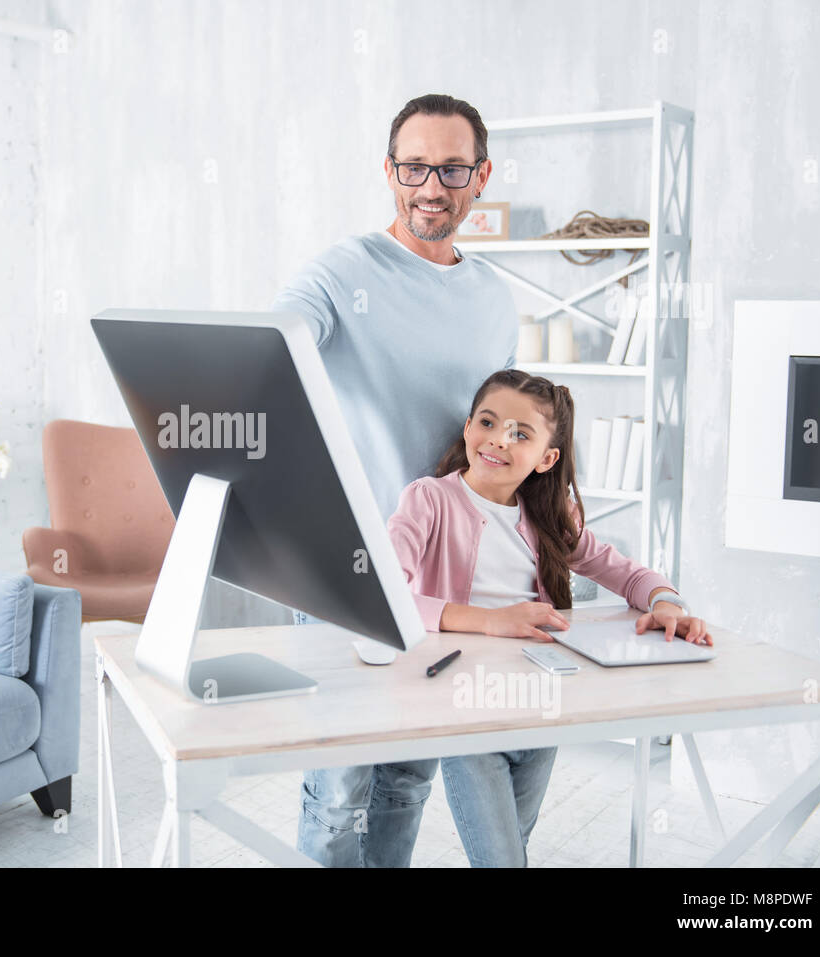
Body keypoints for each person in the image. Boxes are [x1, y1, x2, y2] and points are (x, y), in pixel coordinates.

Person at [273, 92, 518, 867]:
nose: (432, 188)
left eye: (451, 169)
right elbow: (277, 334)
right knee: (340, 784)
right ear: (390, 170)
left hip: (440, 579)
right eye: (415, 167)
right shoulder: (346, 270)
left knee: (408, 775)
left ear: (481, 177)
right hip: (346, 570)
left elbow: (495, 432)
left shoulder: (494, 298)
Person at [387, 368, 712, 866]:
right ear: (469, 428)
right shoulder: (429, 500)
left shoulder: (550, 519)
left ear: (547, 458)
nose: (498, 440)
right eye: (488, 423)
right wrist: (490, 620)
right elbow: (387, 596)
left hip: (540, 700)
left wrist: (668, 603)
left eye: (520, 434)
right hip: (463, 705)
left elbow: (626, 574)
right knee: (501, 857)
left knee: (511, 851)